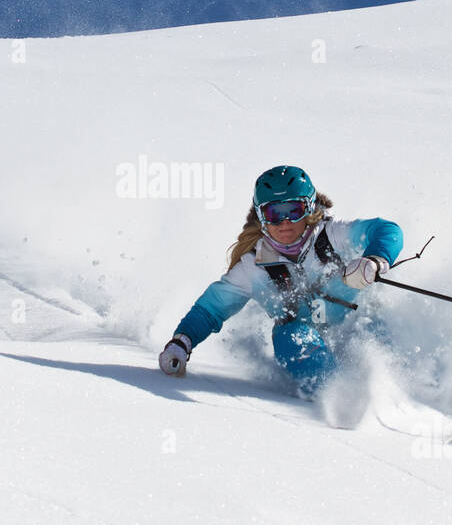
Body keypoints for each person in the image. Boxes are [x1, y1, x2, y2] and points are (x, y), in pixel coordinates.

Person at [158, 165, 404, 397]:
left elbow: (386, 230)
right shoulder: (254, 266)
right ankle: (338, 394)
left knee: (377, 338)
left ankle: (407, 398)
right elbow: (211, 309)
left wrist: (374, 260)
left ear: (309, 208)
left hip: (357, 326)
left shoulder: (332, 236)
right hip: (306, 343)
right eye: (273, 213)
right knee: (289, 335)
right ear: (261, 216)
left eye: (293, 211)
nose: (284, 222)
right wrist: (182, 341)